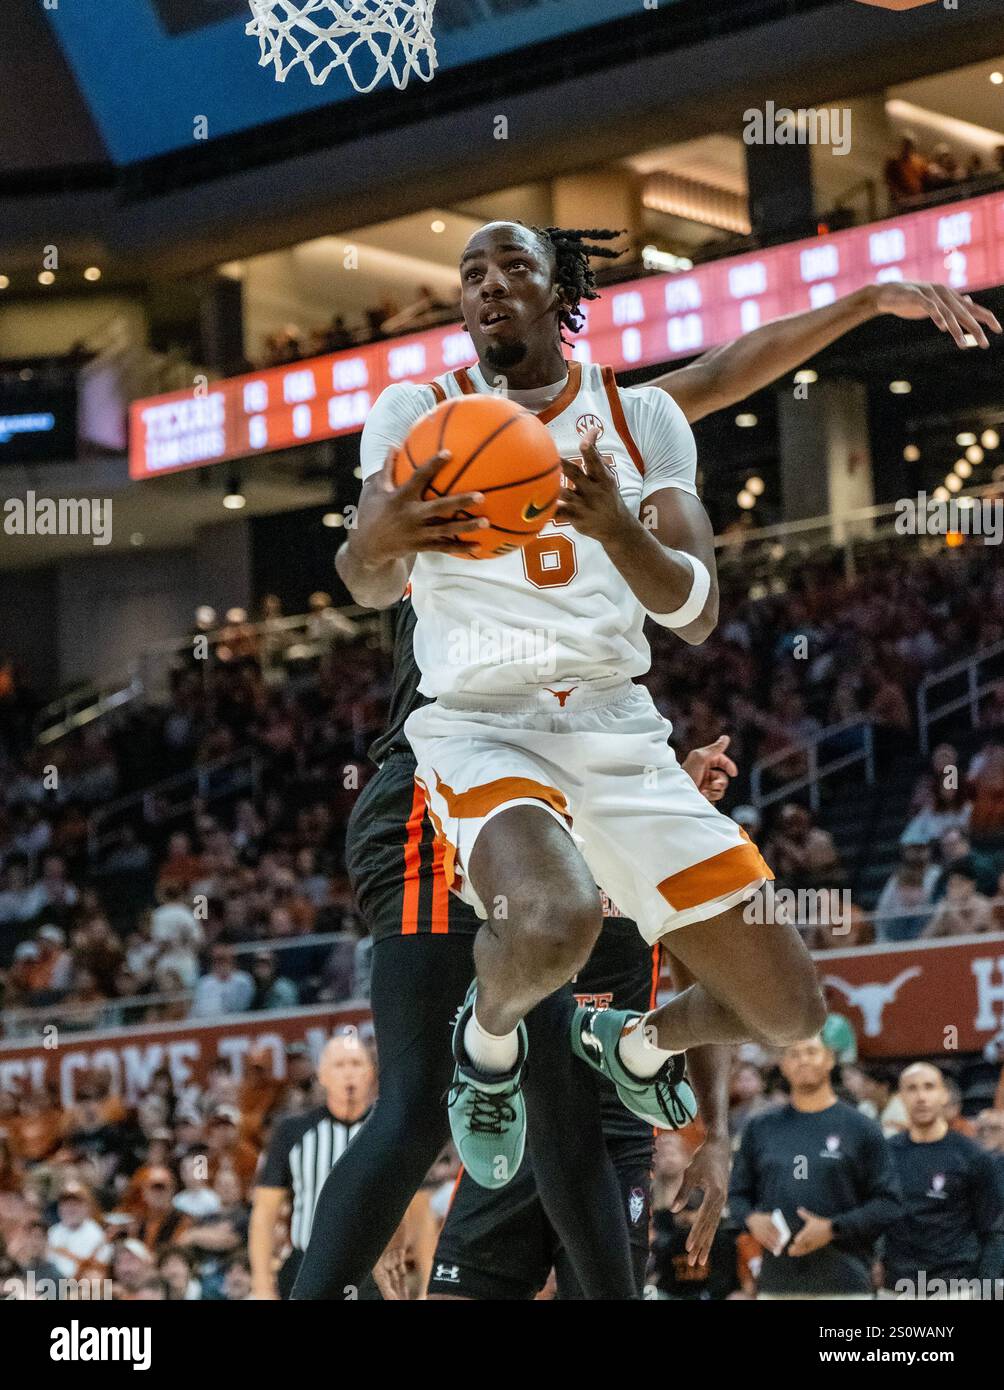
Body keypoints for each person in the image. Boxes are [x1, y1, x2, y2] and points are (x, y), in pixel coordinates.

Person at [291, 235, 999, 1297]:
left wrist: (864, 301)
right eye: (469, 272)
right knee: (548, 928)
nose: (486, 285)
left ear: (557, 291)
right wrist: (370, 538)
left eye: (511, 267)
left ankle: (626, 1041)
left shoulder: (633, 418)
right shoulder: (417, 413)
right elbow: (357, 572)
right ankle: (488, 1053)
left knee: (795, 1010)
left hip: (619, 735)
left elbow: (697, 600)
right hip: (478, 724)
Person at [729, 1035, 902, 1299]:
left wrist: (833, 1228)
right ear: (783, 1065)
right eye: (794, 1054)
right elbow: (738, 1196)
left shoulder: (861, 1128)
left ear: (830, 1060)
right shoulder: (760, 1127)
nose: (803, 1060)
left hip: (845, 1282)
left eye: (811, 1052)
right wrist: (752, 1219)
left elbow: (889, 1203)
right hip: (777, 1284)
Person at [251, 1033, 378, 1299]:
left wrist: (425, 1280)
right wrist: (262, 1285)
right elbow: (264, 1214)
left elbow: (418, 1212)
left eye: (355, 1064)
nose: (348, 1073)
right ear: (322, 1075)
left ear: (371, 1073)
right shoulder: (291, 1131)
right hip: (306, 1264)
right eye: (339, 1065)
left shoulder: (387, 1130)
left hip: (373, 1269)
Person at [880, 1063, 1004, 1298]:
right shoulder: (885, 1154)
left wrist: (986, 1289)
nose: (921, 1097)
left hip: (957, 1286)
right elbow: (876, 1216)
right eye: (912, 1089)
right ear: (901, 1096)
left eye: (929, 1087)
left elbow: (994, 1231)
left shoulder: (972, 1156)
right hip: (897, 1286)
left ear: (944, 1095)